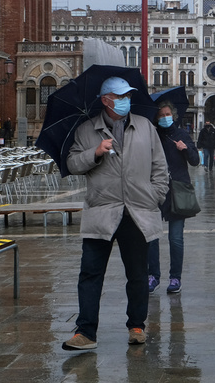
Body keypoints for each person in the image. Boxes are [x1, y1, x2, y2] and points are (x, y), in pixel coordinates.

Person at [63, 77, 168, 351]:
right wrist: (95, 152)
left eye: (127, 96)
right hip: (102, 211)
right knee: (90, 273)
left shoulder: (145, 126)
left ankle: (137, 326)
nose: (125, 101)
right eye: (119, 97)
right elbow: (72, 164)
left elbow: (160, 167)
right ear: (105, 100)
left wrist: (155, 195)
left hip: (137, 210)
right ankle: (86, 331)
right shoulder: (86, 130)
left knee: (137, 273)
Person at [147, 100, 199, 295]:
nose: (165, 117)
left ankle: (175, 277)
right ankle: (153, 276)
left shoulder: (181, 134)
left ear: (174, 115)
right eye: (161, 115)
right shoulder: (151, 136)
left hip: (177, 191)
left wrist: (185, 149)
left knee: (176, 238)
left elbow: (195, 161)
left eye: (167, 114)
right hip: (154, 190)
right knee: (151, 237)